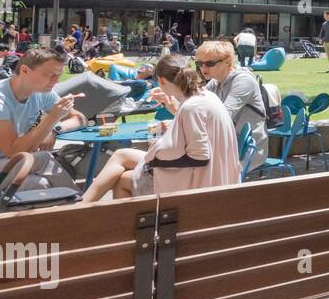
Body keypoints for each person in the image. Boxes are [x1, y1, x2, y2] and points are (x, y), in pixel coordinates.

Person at [81, 55, 240, 202]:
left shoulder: (191, 107)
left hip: (202, 182)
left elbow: (200, 156)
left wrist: (155, 161)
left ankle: (84, 211)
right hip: (217, 172)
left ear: (162, 80)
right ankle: (82, 205)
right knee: (121, 154)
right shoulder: (205, 96)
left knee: (123, 180)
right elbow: (197, 130)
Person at [0, 46, 85, 191]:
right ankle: (82, 205)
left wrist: (55, 129)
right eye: (50, 75)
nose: (56, 80)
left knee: (38, 184)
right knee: (41, 159)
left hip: (2, 165)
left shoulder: (42, 92)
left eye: (58, 75)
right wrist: (52, 118)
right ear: (24, 70)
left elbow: (79, 118)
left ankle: (68, 210)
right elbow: (13, 151)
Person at [195, 41, 267, 176]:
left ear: (227, 62)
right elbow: (195, 106)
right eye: (199, 63)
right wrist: (171, 100)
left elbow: (223, 116)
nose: (203, 67)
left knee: (197, 171)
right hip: (224, 145)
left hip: (246, 150)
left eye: (210, 63)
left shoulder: (243, 81)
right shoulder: (216, 82)